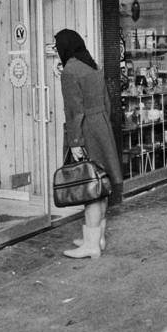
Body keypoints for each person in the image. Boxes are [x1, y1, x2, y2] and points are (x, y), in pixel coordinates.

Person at [55, 29, 122, 259]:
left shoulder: (69, 71)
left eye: (57, 47)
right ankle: (97, 237)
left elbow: (73, 111)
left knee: (89, 187)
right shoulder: (92, 66)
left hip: (85, 130)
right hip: (102, 127)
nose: (57, 52)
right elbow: (108, 103)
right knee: (100, 184)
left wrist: (75, 142)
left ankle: (91, 245)